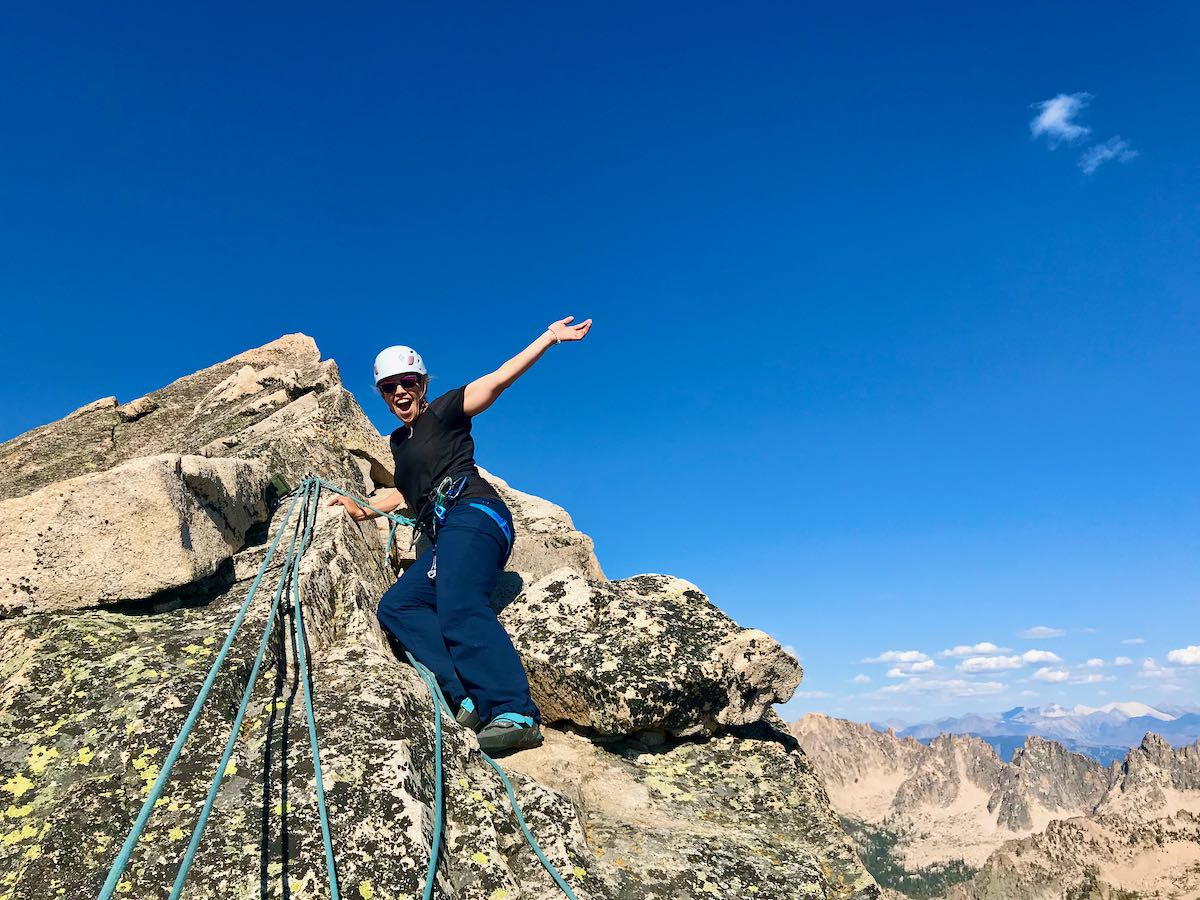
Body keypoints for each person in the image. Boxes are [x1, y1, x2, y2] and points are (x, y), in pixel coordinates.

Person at [326, 316, 592, 754]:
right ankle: (465, 697)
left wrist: (548, 338)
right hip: (446, 532)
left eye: (407, 382)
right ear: (383, 394)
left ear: (422, 384)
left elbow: (497, 381)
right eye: (389, 387)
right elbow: (406, 494)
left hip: (475, 513)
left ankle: (515, 711)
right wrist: (362, 510)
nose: (399, 392)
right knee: (398, 606)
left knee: (459, 601)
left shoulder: (445, 411)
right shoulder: (399, 443)